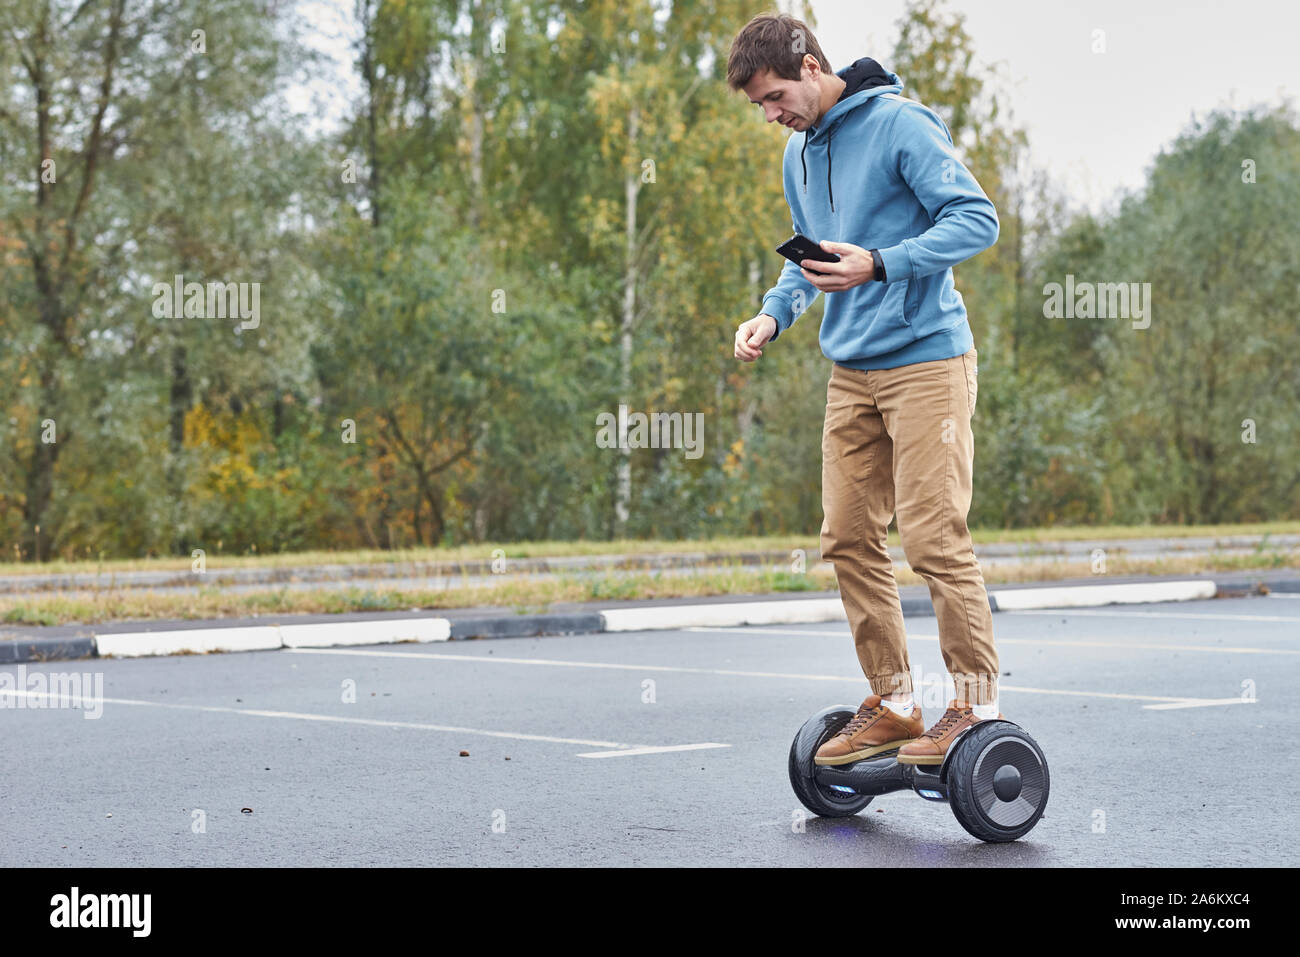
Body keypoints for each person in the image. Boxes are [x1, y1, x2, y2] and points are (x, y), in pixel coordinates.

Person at [727, 13, 1003, 767]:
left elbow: (978, 221)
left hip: (926, 360)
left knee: (933, 536)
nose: (771, 114)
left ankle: (975, 705)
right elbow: (808, 256)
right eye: (759, 106)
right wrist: (772, 314)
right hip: (851, 370)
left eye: (777, 95)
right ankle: (897, 700)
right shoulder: (798, 154)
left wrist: (880, 263)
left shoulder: (900, 126)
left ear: (812, 66)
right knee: (847, 535)